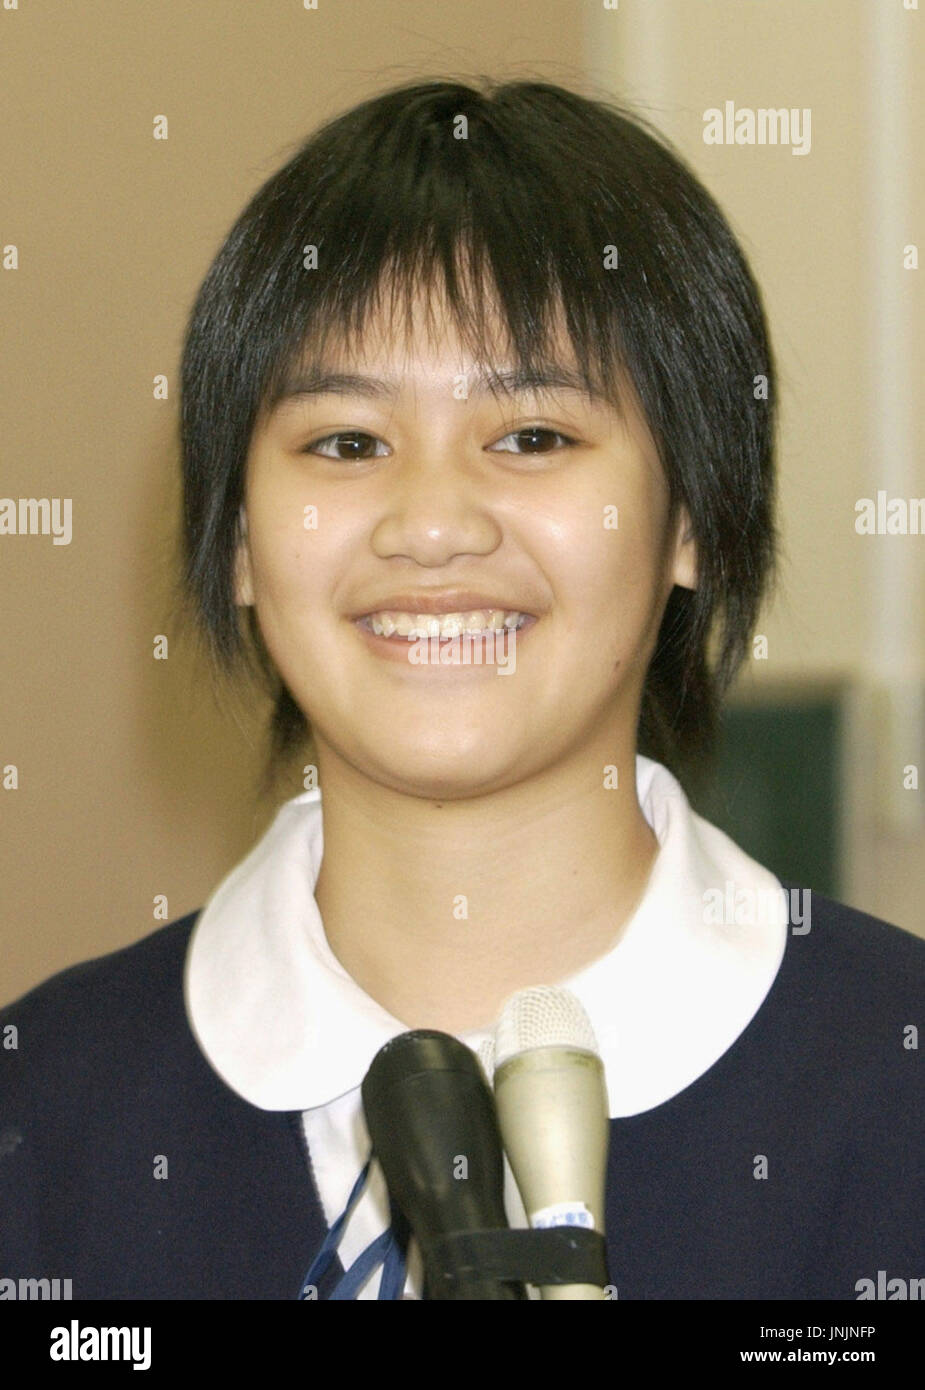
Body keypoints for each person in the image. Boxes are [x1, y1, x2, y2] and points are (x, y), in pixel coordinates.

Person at [1, 77, 922, 1303]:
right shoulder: (44, 1118)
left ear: (691, 515)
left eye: (532, 436)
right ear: (236, 542)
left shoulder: (889, 1086)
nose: (430, 525)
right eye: (346, 442)